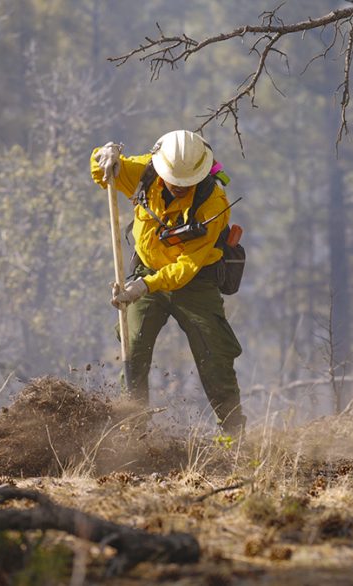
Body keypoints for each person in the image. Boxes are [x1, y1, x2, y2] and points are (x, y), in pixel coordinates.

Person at [90, 130, 246, 434]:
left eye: (184, 182)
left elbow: (187, 266)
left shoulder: (213, 202)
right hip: (146, 273)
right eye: (172, 179)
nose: (176, 186)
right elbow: (102, 172)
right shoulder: (146, 171)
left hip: (195, 283)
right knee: (133, 348)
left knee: (215, 354)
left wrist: (143, 287)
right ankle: (133, 431)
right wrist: (104, 155)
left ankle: (233, 435)